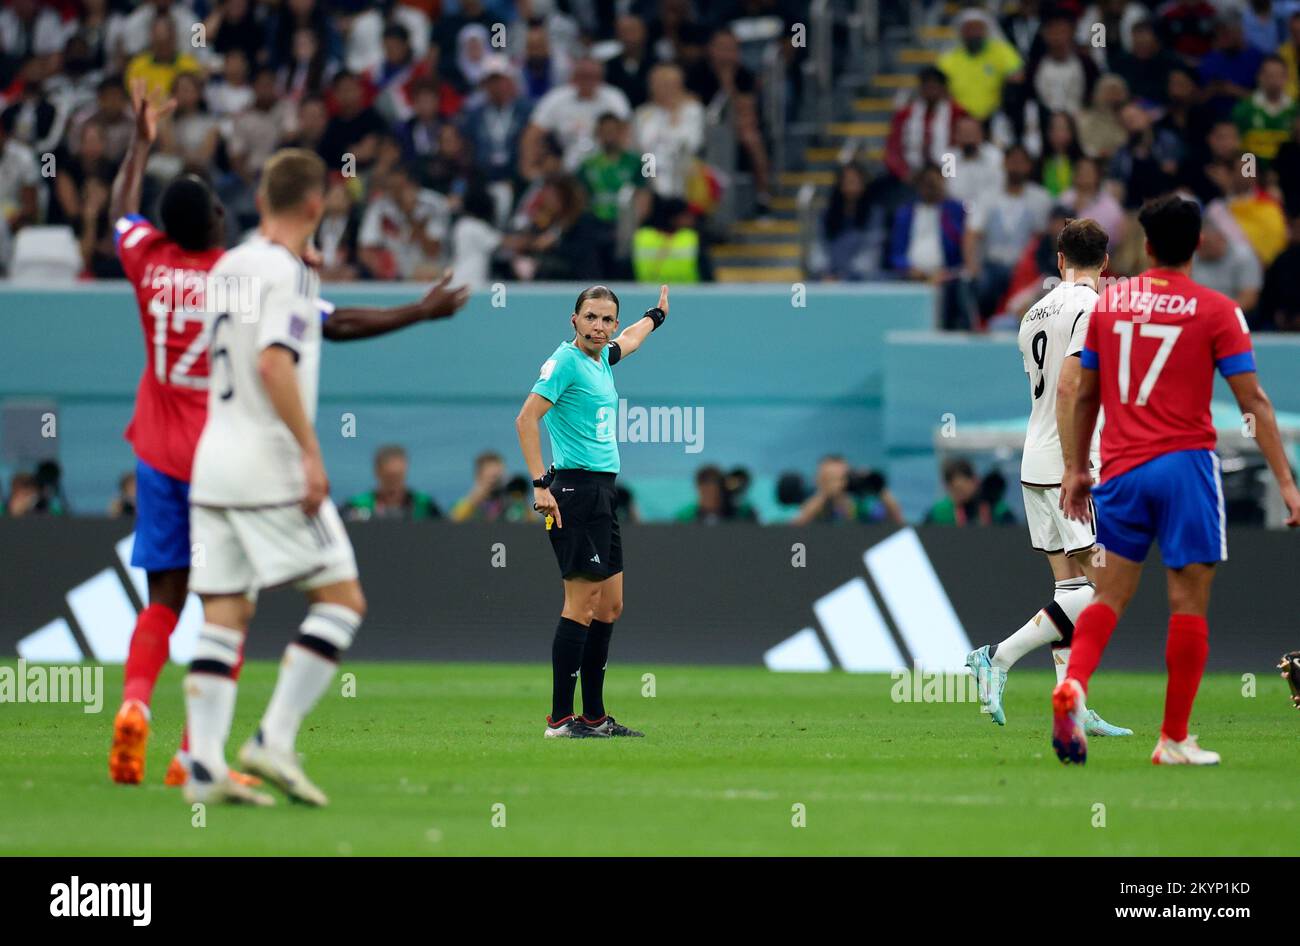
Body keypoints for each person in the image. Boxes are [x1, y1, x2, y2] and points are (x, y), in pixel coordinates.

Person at [182, 147, 468, 806]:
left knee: (224, 613)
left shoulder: (229, 266)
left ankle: (202, 769)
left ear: (261, 201)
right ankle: (273, 740)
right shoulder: (292, 274)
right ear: (317, 205)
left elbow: (327, 326)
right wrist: (312, 453)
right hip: (268, 465)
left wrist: (416, 313)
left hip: (213, 461)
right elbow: (275, 364)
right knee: (341, 602)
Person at [1055, 194, 1300, 766]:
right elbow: (1254, 403)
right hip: (1185, 466)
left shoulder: (1110, 307)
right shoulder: (1215, 309)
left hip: (1119, 468)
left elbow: (1085, 393)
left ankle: (1075, 685)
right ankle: (1172, 739)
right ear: (1196, 246)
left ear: (1146, 243)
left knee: (1109, 595)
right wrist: (1287, 483)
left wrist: (1075, 468)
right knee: (1187, 601)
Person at [966, 219, 1130, 738]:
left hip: (1033, 460)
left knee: (1071, 587)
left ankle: (1072, 704)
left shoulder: (1032, 313)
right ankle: (998, 656)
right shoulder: (1091, 307)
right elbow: (1068, 390)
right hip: (1070, 462)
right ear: (1105, 263)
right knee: (1099, 593)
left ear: (1059, 260)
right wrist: (1076, 466)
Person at [514, 284, 670, 739]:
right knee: (580, 606)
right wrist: (541, 484)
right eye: (591, 318)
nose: (600, 327)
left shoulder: (600, 358)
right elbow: (526, 419)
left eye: (607, 319)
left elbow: (633, 340)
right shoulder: (564, 362)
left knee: (610, 606)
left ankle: (594, 717)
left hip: (603, 492)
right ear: (574, 320)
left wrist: (656, 317)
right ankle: (561, 719)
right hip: (573, 491)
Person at [343, 445, 441, 521]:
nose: (394, 483)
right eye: (389, 477)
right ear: (377, 472)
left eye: (398, 476)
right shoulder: (357, 506)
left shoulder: (425, 506)